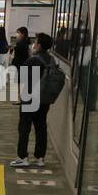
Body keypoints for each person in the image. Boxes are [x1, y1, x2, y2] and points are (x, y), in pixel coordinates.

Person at [12, 31, 63, 168]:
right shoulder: (51, 60)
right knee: (41, 128)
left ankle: (23, 157)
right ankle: (40, 157)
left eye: (36, 42)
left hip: (30, 98)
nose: (34, 44)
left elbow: (22, 78)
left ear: (39, 45)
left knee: (24, 128)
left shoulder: (33, 60)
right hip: (44, 99)